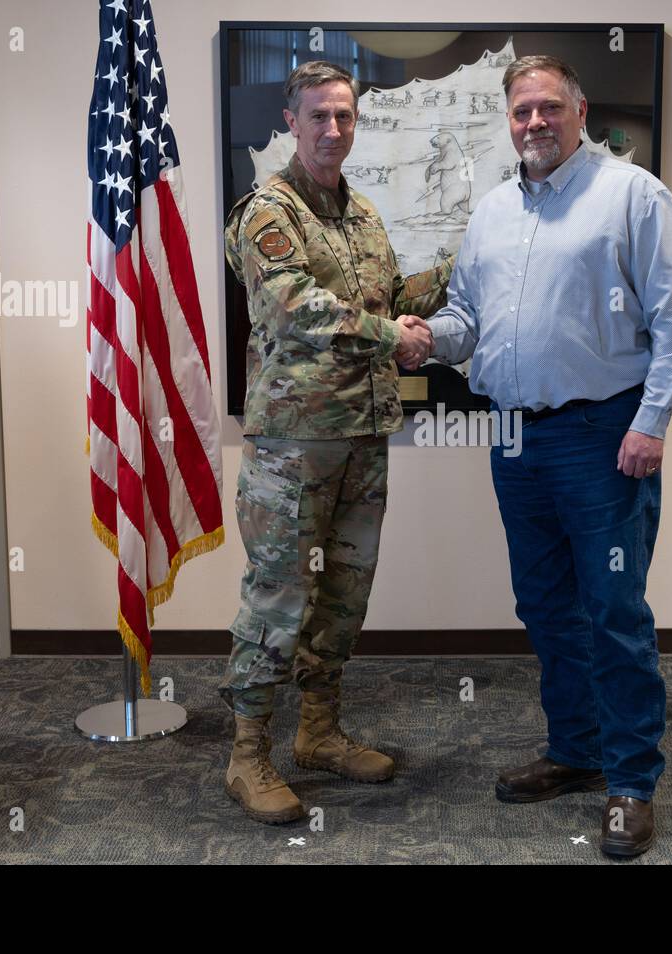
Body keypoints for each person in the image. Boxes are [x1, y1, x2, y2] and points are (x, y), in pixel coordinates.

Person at [418, 56, 672, 857]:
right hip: (514, 439)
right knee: (546, 608)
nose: (535, 123)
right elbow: (467, 320)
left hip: (602, 436)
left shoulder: (632, 196)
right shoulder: (492, 212)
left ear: (580, 112)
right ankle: (577, 752)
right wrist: (423, 340)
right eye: (521, 112)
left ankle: (630, 781)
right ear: (508, 122)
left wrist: (651, 424)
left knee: (613, 612)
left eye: (549, 107)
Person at [219, 61, 449, 824]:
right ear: (292, 120)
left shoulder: (364, 217)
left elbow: (387, 299)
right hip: (294, 450)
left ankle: (318, 734)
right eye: (318, 116)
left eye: (345, 116)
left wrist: (458, 271)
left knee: (344, 598)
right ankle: (247, 755)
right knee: (278, 600)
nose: (333, 130)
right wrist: (393, 335)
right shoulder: (267, 211)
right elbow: (293, 308)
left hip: (361, 440)